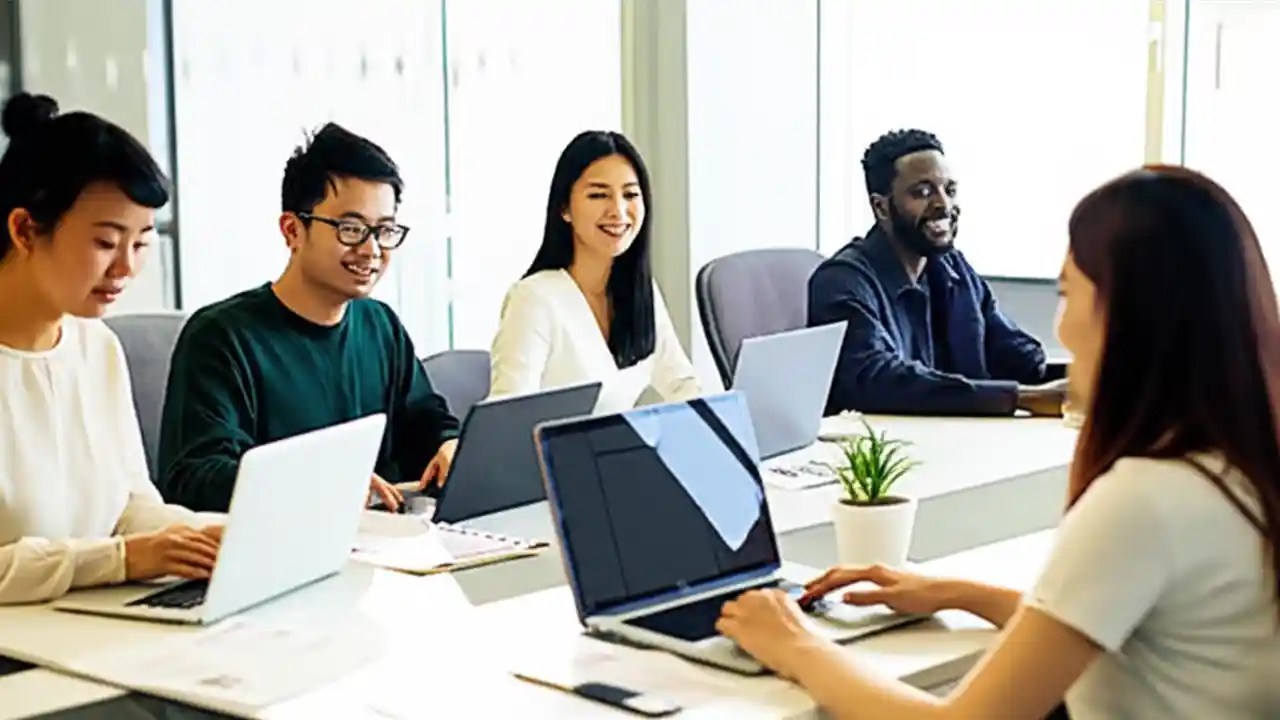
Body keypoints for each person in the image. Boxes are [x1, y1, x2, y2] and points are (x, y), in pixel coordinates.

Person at [719, 166, 1280, 719]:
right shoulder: (1235, 466)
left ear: (1126, 313)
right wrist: (951, 592)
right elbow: (1097, 621)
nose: (1060, 326)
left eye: (1067, 292)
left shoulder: (1143, 501)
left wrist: (795, 644)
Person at [156, 123, 459, 513]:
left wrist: (447, 444)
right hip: (274, 542)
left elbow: (424, 420)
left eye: (384, 230)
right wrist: (317, 482)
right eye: (351, 229)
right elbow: (195, 478)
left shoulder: (380, 325)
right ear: (292, 230)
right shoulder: (221, 338)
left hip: (381, 535)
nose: (371, 250)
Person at [0, 93, 221, 605]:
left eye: (140, 243)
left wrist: (205, 535)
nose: (126, 269)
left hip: (89, 625)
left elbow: (129, 504)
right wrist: (120, 559)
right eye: (105, 243)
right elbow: (124, 547)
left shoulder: (95, 346)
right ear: (25, 230)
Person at [810, 129, 1064, 416]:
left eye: (949, 190)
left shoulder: (952, 267)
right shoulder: (842, 281)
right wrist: (1023, 398)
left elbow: (1011, 352)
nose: (944, 205)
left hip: (955, 434)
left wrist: (1082, 379)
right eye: (922, 192)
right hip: (884, 441)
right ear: (881, 207)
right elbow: (878, 381)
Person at [488, 130, 700, 414]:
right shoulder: (533, 299)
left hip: (621, 443)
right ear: (565, 207)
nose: (618, 211)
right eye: (599, 195)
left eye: (630, 194)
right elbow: (507, 418)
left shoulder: (638, 289)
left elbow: (682, 384)